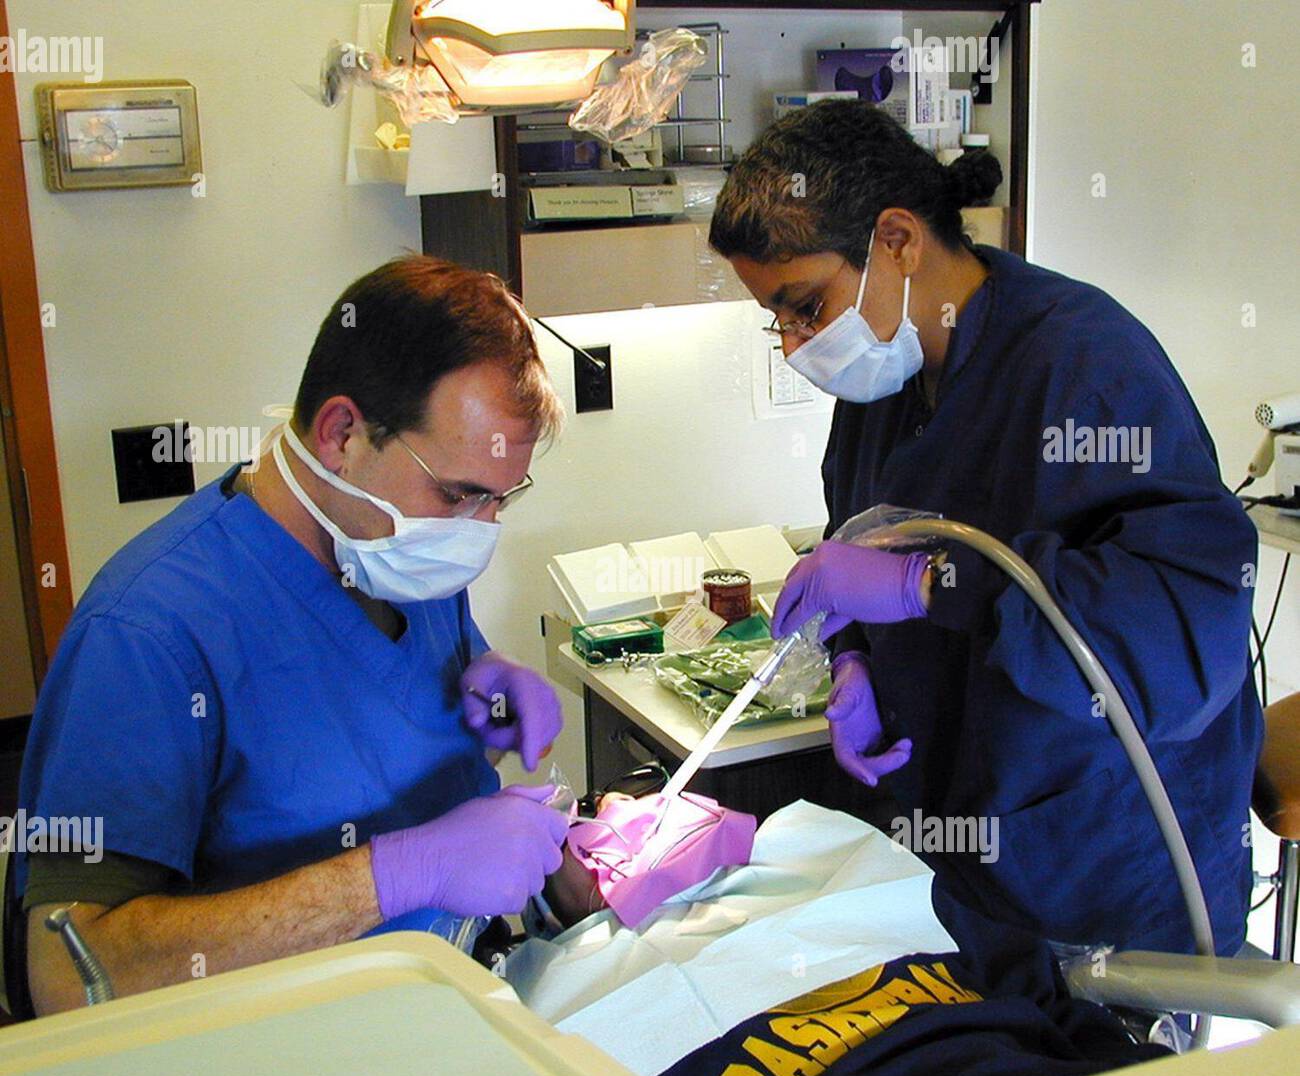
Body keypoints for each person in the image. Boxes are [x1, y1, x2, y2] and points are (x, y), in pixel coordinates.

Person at [707, 100, 1262, 955]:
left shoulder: (1086, 370)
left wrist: (928, 584)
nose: (794, 346)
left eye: (806, 307)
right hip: (969, 848)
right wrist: (853, 656)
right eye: (776, 319)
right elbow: (863, 534)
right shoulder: (888, 381)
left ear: (896, 240)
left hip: (1106, 855)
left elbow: (1188, 630)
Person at [19, 257, 571, 1014]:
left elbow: (377, 680)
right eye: (460, 494)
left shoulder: (392, 549)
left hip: (461, 997)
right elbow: (68, 976)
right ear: (342, 432)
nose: (481, 531)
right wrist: (391, 877)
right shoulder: (148, 633)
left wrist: (483, 674)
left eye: (501, 499)